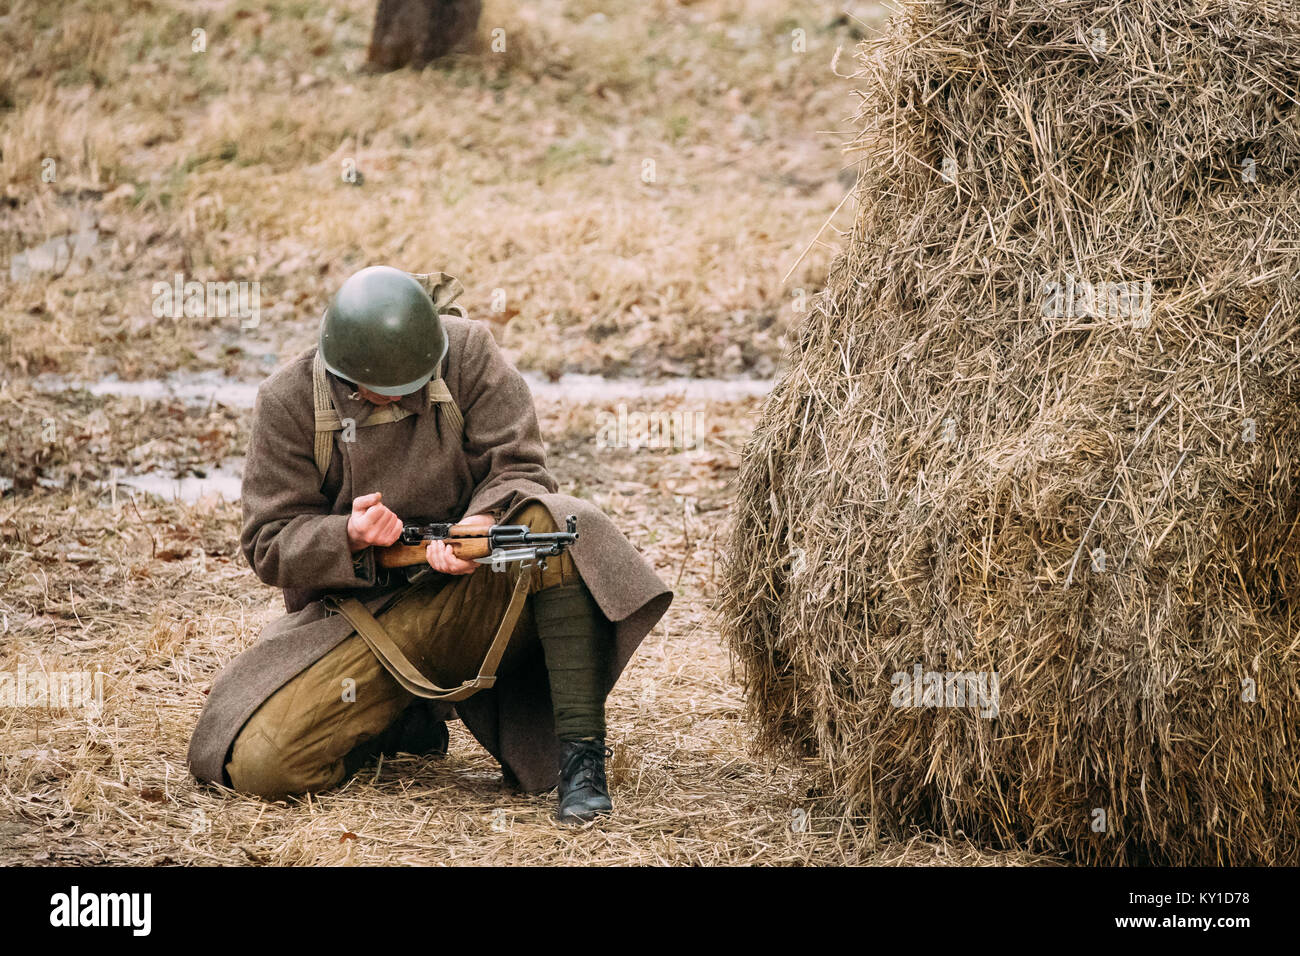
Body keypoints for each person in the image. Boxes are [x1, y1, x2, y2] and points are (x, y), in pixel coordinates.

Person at [187, 265, 672, 823]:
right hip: (364, 618)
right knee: (262, 765)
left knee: (555, 529)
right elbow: (269, 541)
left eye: (415, 382)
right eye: (382, 391)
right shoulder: (290, 401)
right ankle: (399, 717)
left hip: (476, 593)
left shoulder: (468, 354)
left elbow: (520, 469)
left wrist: (483, 524)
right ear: (341, 371)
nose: (401, 398)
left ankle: (579, 762)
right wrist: (347, 535)